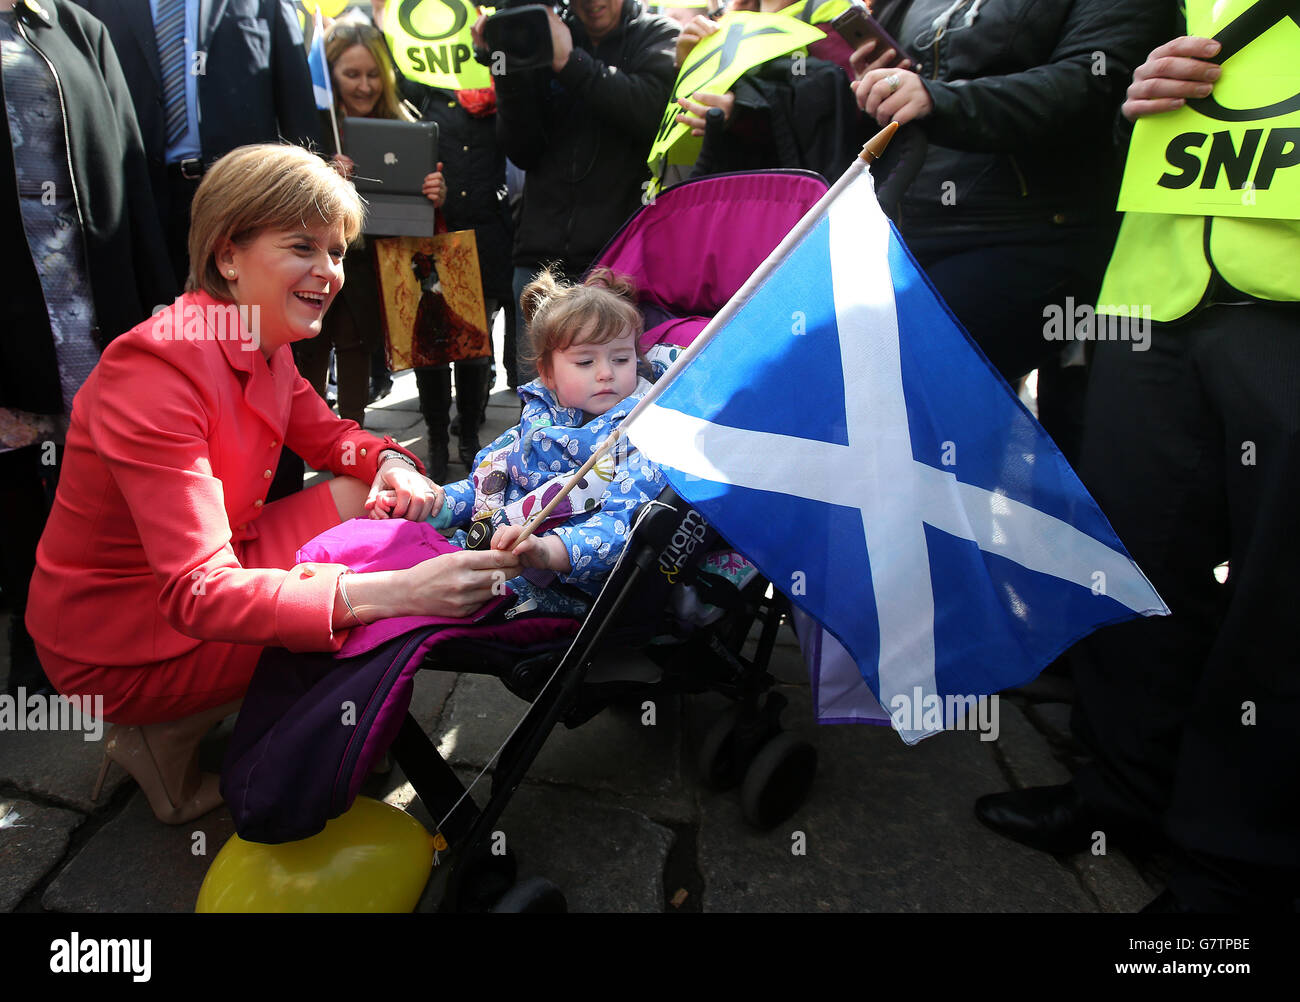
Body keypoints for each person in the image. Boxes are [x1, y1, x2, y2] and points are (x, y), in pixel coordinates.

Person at [26, 145, 521, 825]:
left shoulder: (256, 334)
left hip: (209, 575)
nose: (329, 272)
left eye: (338, 251)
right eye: (302, 247)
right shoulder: (154, 372)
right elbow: (196, 592)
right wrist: (394, 593)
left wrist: (389, 462)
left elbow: (333, 438)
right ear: (229, 255)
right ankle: (166, 728)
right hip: (120, 645)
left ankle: (301, 714)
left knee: (373, 515)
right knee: (378, 600)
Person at [975, 27, 1300, 912]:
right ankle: (1117, 798)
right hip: (1151, 298)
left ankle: (1234, 865)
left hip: (1284, 304)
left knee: (1278, 604)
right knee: (1125, 553)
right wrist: (1134, 107)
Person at [846, 0, 1170, 460]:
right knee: (857, 388)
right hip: (908, 228)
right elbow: (918, 83)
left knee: (904, 390)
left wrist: (939, 99)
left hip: (1033, 235)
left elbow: (1094, 83)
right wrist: (883, 80)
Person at [1, 0, 174, 698]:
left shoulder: (78, 27)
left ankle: (119, 630)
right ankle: (31, 643)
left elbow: (131, 168)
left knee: (100, 464)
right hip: (12, 290)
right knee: (14, 470)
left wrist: (159, 295)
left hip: (85, 288)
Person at [373, 268, 666, 614]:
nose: (606, 372)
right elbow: (486, 486)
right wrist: (432, 504)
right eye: (586, 361)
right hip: (492, 551)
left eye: (621, 358)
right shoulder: (537, 421)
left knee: (421, 596)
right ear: (547, 373)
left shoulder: (641, 437)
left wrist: (547, 551)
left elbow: (622, 525)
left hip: (563, 583)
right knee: (384, 556)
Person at [473, 0, 678, 385]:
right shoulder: (540, 33)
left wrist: (570, 63)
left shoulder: (656, 34)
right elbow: (521, 147)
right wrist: (507, 60)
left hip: (618, 259)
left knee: (611, 389)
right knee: (537, 390)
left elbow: (651, 112)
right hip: (539, 254)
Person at [72, 0, 323, 288]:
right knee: (159, 317)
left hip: (242, 199)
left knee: (239, 322)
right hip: (140, 201)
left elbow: (298, 106)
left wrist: (310, 188)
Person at [296, 20, 446, 430]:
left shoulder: (404, 123)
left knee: (355, 347)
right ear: (331, 74)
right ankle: (299, 436)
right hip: (312, 258)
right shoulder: (309, 126)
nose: (365, 85)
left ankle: (352, 439)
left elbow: (423, 210)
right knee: (308, 351)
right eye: (352, 74)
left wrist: (436, 191)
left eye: (373, 74)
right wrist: (320, 175)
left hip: (370, 263)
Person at [402, 74, 513, 480]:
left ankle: (468, 437)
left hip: (482, 236)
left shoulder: (501, 91)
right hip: (430, 232)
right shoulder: (423, 88)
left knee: (473, 348)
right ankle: (435, 438)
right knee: (428, 349)